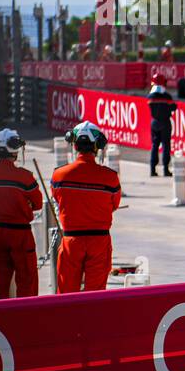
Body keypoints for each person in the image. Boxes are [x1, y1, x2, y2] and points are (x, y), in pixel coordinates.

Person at [51, 122, 121, 293]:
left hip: (71, 241)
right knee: (95, 296)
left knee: (66, 294)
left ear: (74, 145)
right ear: (97, 147)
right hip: (99, 241)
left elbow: (57, 198)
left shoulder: (59, 174)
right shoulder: (110, 177)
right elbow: (114, 204)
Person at [0, 128, 43, 299]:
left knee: (0, 283)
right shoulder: (25, 177)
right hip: (20, 234)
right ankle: (25, 319)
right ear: (14, 150)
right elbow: (37, 204)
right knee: (26, 282)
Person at [147, 81, 177, 177]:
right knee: (166, 146)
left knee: (155, 145)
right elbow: (174, 107)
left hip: (155, 122)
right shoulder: (167, 96)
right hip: (165, 122)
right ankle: (165, 169)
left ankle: (152, 169)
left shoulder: (151, 97)